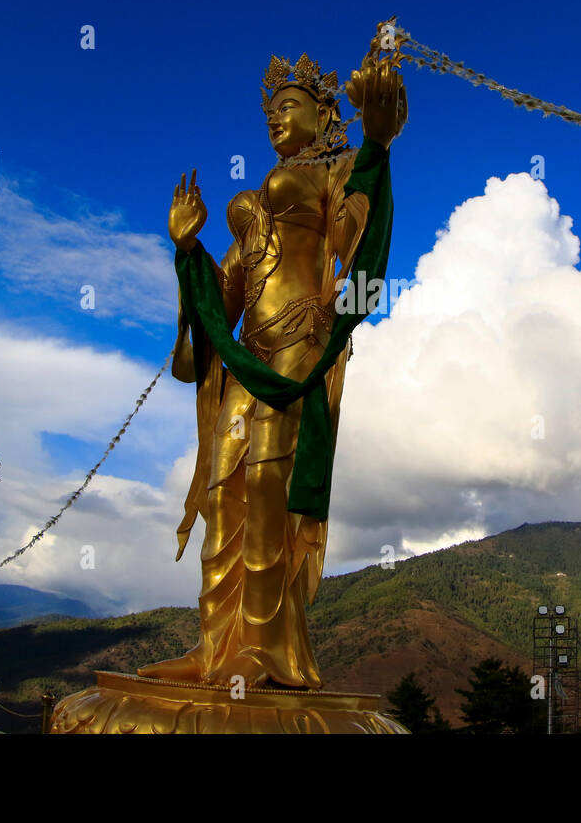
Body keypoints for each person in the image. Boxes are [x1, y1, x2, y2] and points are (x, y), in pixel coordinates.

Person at [140, 44, 406, 689]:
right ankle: (214, 647)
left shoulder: (337, 171)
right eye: (271, 112)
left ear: (324, 114)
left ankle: (265, 650)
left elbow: (354, 250)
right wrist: (190, 249)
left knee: (268, 490)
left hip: (297, 350)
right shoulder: (254, 206)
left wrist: (374, 147)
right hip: (249, 357)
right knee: (222, 491)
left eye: (289, 106)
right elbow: (224, 298)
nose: (276, 120)